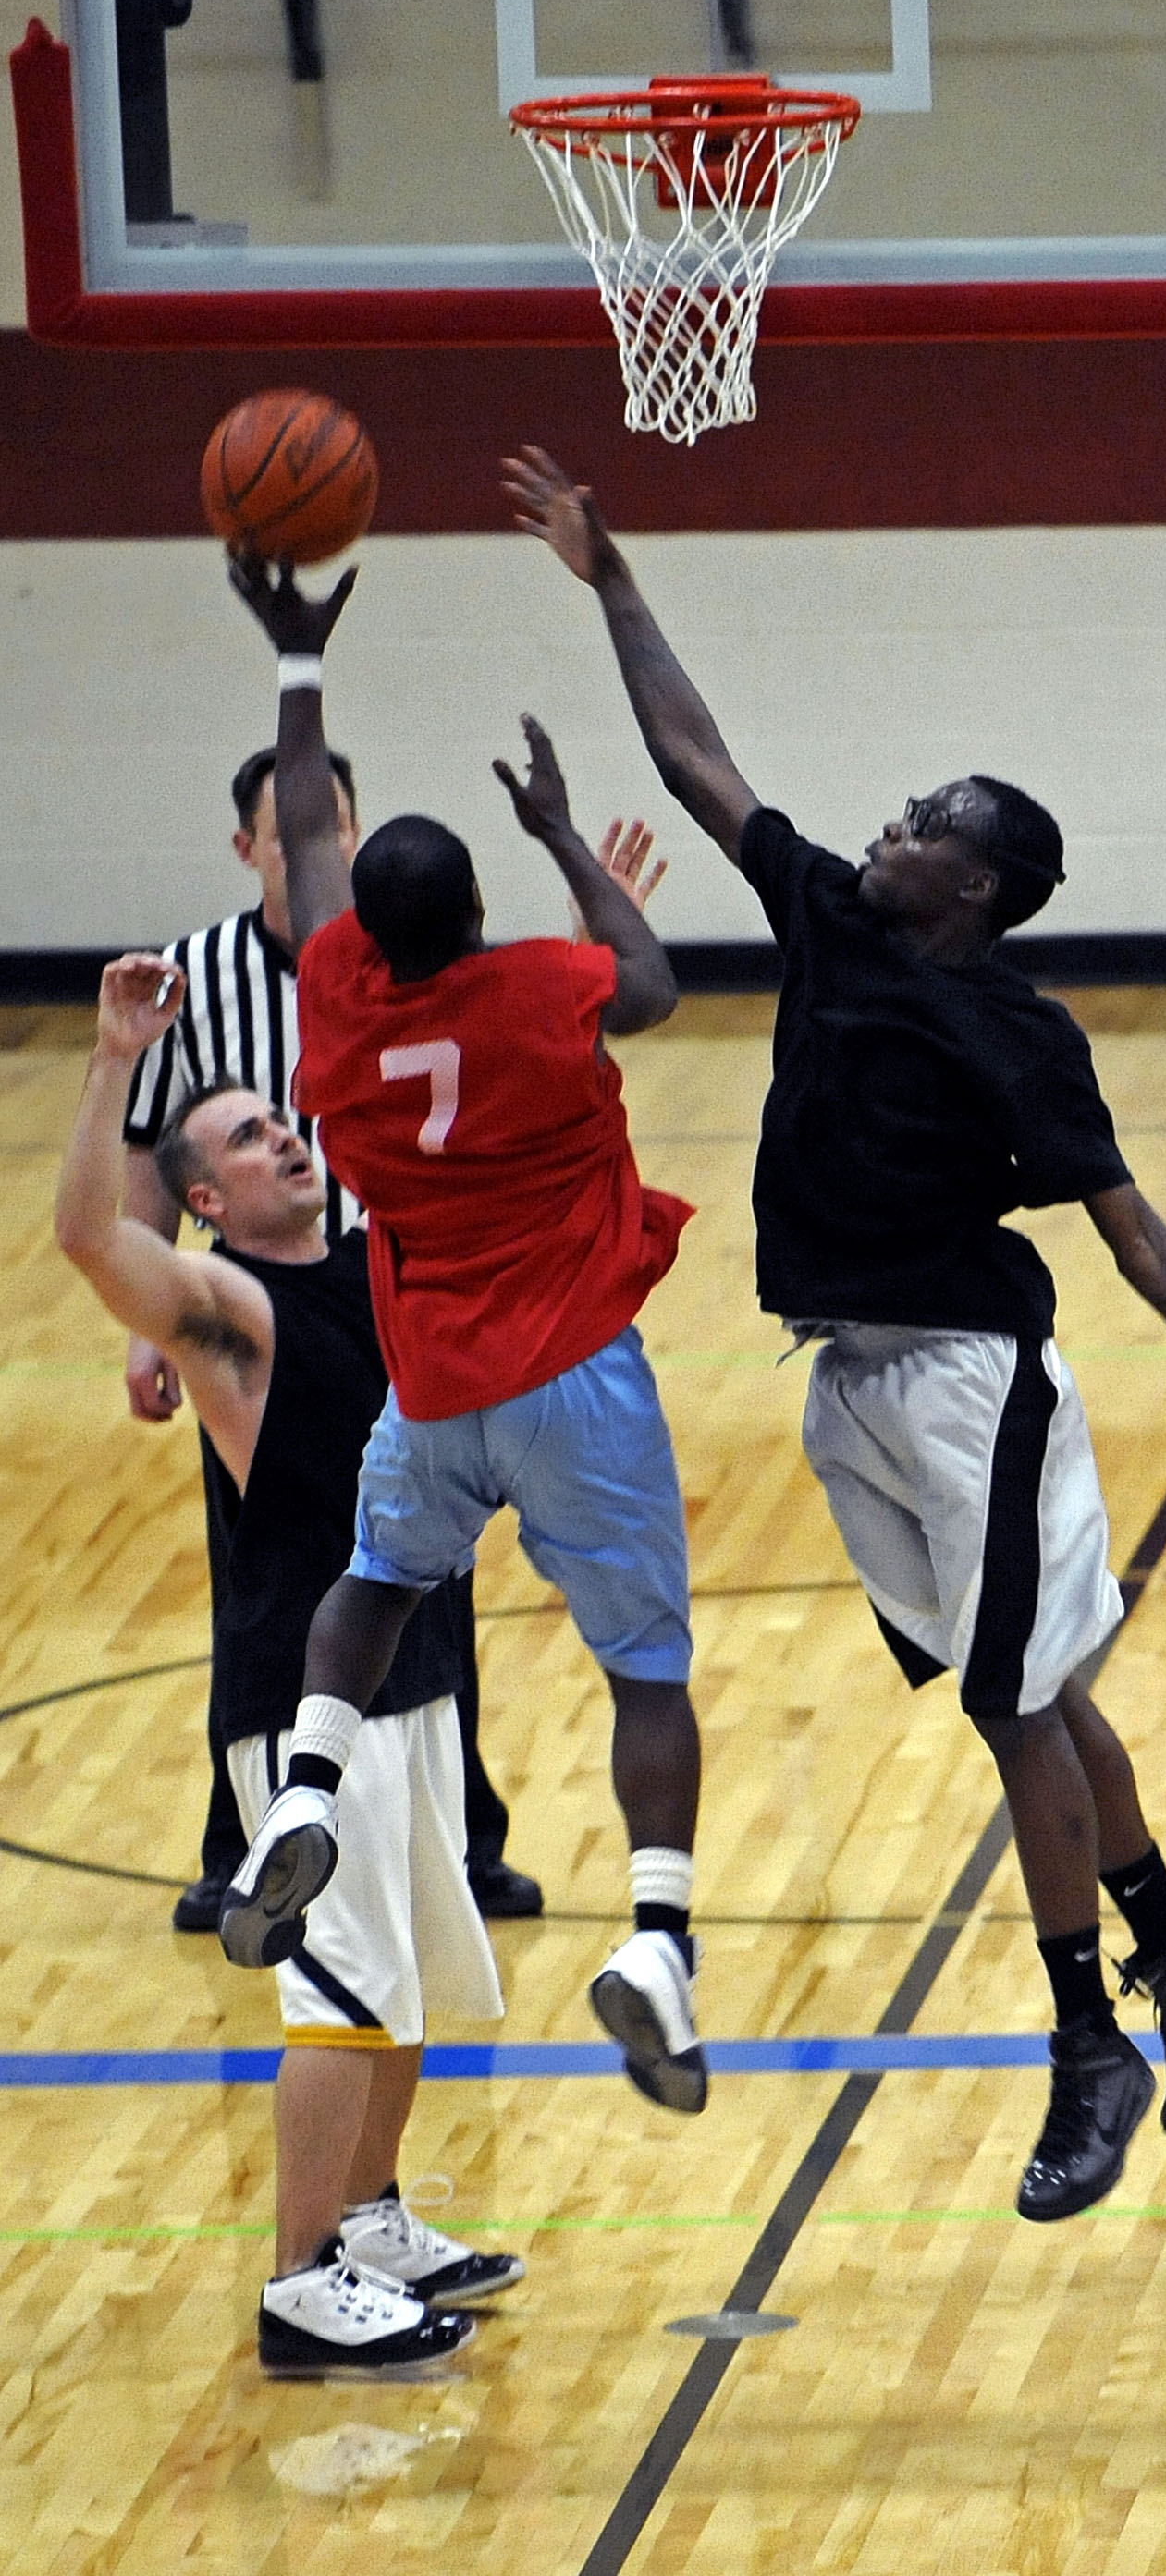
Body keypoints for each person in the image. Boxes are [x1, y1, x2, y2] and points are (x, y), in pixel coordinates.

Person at [502, 444, 1166, 2222]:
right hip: (849, 1375)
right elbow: (696, 753)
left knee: (1011, 1700)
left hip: (976, 1371)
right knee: (1037, 1693)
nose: (886, 823)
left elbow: (1137, 1239)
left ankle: (1092, 2044)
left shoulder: (1020, 1031)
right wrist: (610, 576)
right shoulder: (830, 917)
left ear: (974, 887)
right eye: (899, 810)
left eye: (923, 821)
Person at [215, 557, 711, 2120]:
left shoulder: (336, 1000)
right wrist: (565, 827)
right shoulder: (537, 993)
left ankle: (303, 1785)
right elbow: (651, 981)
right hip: (575, 1373)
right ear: (483, 917)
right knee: (646, 1670)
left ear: (359, 924)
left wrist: (299, 658)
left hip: (431, 1381)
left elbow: (304, 832)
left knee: (367, 1585)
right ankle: (657, 1935)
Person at [58, 955, 522, 2375]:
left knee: (411, 1982)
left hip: (420, 1670)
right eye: (250, 1138)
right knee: (340, 1993)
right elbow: (89, 1241)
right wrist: (110, 1067)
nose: (283, 1140)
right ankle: (298, 2284)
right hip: (309, 1705)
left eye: (282, 1121)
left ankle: (371, 2220)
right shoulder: (232, 1316)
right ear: (207, 1197)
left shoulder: (372, 1268)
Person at [120, 742, 542, 1931]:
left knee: (435, 1568)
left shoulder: (393, 953)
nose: (321, 842)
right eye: (298, 824)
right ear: (247, 844)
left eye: (338, 822)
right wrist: (146, 1329)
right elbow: (153, 1150)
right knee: (261, 1576)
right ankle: (241, 1835)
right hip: (254, 1308)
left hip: (385, 1288)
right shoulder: (195, 971)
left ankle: (463, 1829)